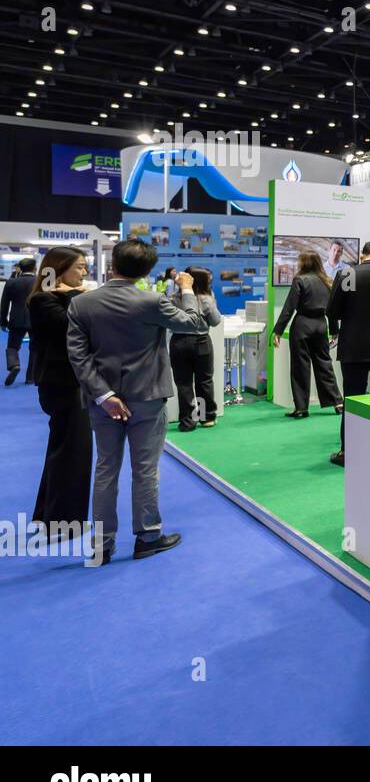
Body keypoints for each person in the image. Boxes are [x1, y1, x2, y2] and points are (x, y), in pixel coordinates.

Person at [66, 239, 209, 565]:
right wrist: (187, 288)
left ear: (112, 264)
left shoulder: (82, 304)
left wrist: (105, 395)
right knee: (145, 471)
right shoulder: (151, 301)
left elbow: (78, 357)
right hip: (147, 397)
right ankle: (148, 537)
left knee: (105, 470)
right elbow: (196, 324)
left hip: (103, 403)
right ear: (147, 271)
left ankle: (102, 545)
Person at [27, 247, 93, 537]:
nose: (84, 272)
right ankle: (65, 523)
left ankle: (47, 515)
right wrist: (76, 294)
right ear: (59, 268)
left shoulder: (52, 299)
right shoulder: (43, 300)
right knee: (73, 452)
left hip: (66, 383)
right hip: (63, 384)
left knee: (63, 449)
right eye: (79, 266)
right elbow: (72, 324)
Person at [326, 240, 370, 466]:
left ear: (362, 255)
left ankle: (349, 452)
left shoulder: (349, 274)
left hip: (353, 348)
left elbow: (333, 310)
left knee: (353, 400)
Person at [273, 251, 343, 418]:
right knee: (324, 364)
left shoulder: (300, 280)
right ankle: (338, 402)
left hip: (302, 326)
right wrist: (334, 331)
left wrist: (277, 331)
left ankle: (301, 408)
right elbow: (332, 310)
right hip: (320, 325)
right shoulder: (327, 281)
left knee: (300, 367)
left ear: (303, 263)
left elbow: (289, 308)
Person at [169, 266, 223, 432]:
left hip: (178, 342)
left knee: (183, 383)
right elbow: (215, 321)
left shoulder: (172, 298)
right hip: (201, 342)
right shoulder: (206, 299)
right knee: (204, 381)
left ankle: (187, 421)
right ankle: (206, 417)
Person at [2, 257, 37, 386]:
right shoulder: (39, 282)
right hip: (36, 319)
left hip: (16, 318)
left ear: (20, 269)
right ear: (34, 268)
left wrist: (3, 321)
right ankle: (31, 377)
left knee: (12, 347)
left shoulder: (11, 282)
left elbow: (4, 304)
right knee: (35, 348)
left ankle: (14, 365)